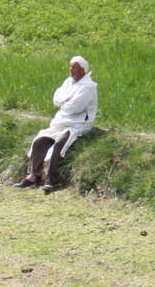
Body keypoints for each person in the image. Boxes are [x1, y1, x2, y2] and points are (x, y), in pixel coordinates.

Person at [13, 56, 98, 193]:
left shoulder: (88, 87)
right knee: (40, 140)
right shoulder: (68, 82)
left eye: (74, 67)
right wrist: (66, 100)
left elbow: (75, 107)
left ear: (82, 70)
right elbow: (56, 98)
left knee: (60, 143)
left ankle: (50, 179)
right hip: (60, 121)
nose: (71, 69)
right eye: (70, 66)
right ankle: (33, 176)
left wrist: (63, 104)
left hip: (78, 123)